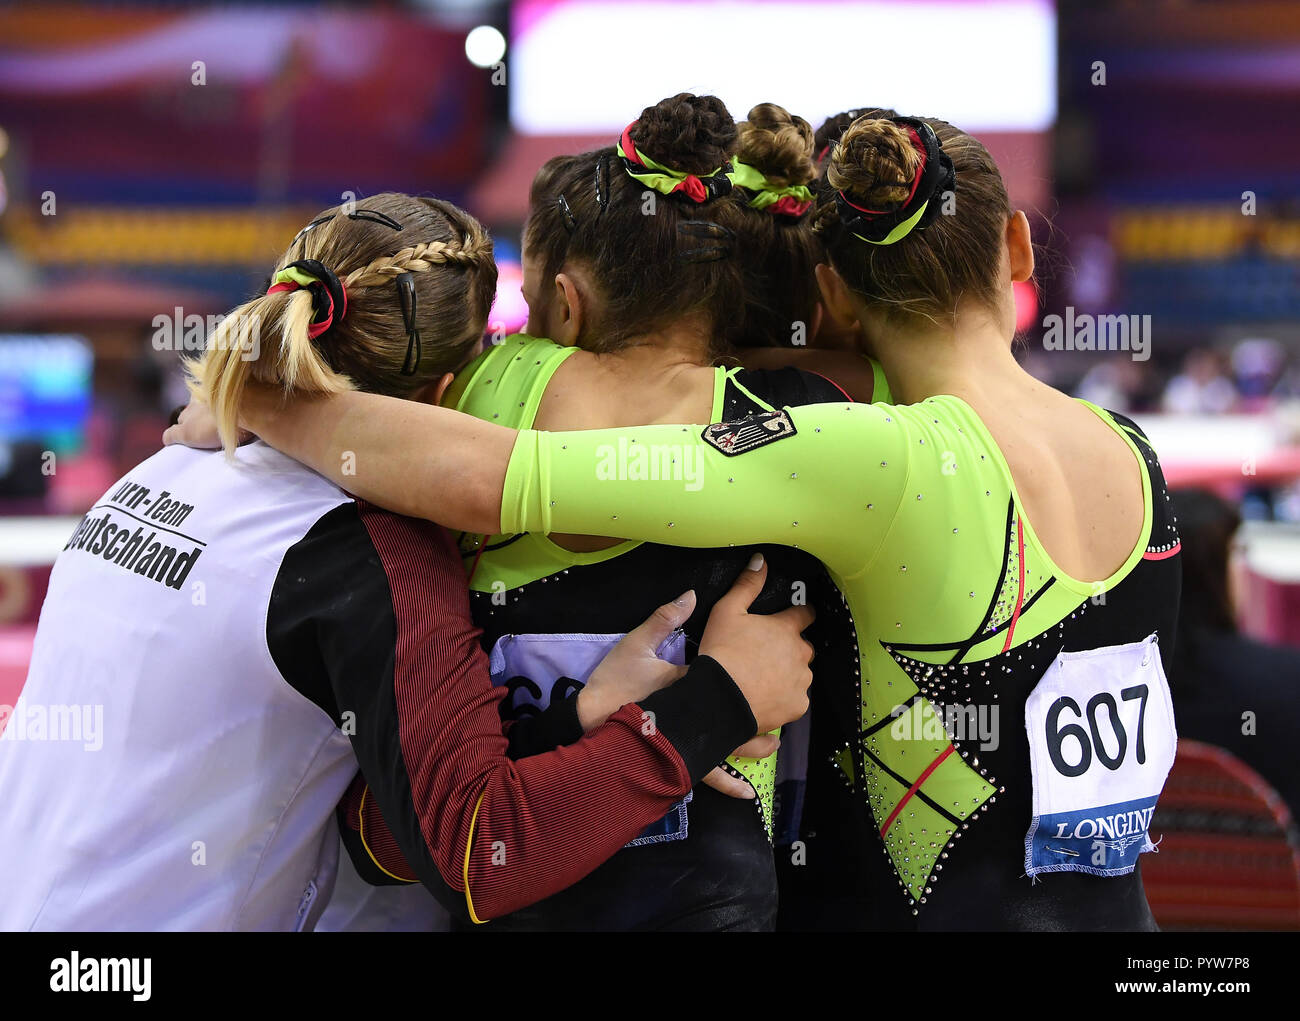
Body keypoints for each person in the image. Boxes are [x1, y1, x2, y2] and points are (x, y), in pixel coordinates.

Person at [168, 113, 1184, 931]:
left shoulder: (879, 453)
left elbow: (490, 482)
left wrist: (259, 395)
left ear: (830, 288)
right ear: (1016, 244)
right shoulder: (1132, 453)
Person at [0, 193, 815, 931]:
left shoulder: (158, 468)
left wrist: (569, 723)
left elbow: (399, 824)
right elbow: (482, 853)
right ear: (455, 392)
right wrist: (720, 699)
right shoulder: (373, 549)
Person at [339, 95, 869, 931]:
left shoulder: (493, 382)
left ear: (567, 303)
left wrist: (253, 399)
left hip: (508, 872)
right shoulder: (796, 414)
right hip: (711, 888)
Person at [1168, 487, 1300, 821]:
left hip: (1145, 871)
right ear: (1216, 567)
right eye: (1237, 552)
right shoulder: (1285, 680)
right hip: (1273, 871)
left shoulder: (1119, 690)